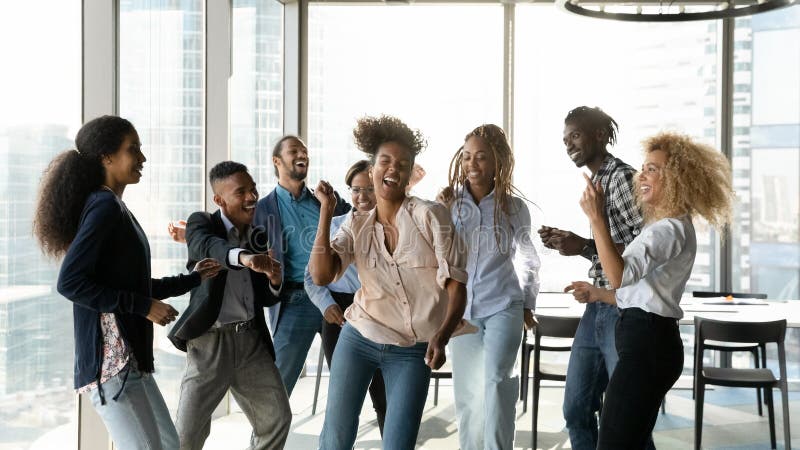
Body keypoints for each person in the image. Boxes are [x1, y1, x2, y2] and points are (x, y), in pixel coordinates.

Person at [33, 115, 220, 450]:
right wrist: (143, 306)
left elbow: (130, 283)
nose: (142, 158)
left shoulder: (114, 206)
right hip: (110, 364)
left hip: (130, 361)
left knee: (168, 445)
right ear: (106, 157)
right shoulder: (104, 206)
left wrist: (192, 279)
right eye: (133, 149)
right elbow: (71, 282)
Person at [308, 115, 472, 450]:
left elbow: (456, 285)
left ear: (411, 173)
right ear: (372, 169)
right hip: (359, 336)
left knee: (399, 441)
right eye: (385, 161)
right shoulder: (355, 225)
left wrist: (440, 337)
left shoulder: (432, 216)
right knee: (335, 438)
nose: (393, 169)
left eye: (403, 164)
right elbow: (323, 275)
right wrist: (326, 211)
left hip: (412, 350)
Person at [566, 131, 734, 449]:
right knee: (632, 442)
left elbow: (619, 276)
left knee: (614, 443)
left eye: (653, 169)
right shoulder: (662, 227)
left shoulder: (670, 230)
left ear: (676, 180)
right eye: (644, 167)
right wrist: (596, 294)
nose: (641, 175)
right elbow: (638, 293)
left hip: (648, 346)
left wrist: (597, 217)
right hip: (648, 341)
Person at [538, 106, 644, 450]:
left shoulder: (623, 179)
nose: (569, 144)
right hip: (596, 308)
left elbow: (644, 248)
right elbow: (611, 250)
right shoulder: (597, 181)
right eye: (565, 139)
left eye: (576, 135)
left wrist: (585, 243)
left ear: (599, 134)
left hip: (621, 308)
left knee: (627, 418)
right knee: (576, 409)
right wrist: (578, 246)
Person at [168, 161, 291, 450]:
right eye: (241, 192)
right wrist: (245, 258)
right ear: (219, 200)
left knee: (277, 419)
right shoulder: (201, 223)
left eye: (253, 190)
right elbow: (208, 247)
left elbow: (264, 298)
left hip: (250, 341)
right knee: (187, 436)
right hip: (211, 343)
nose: (252, 197)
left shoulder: (257, 233)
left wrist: (274, 280)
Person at [444, 124, 540, 450]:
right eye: (467, 156)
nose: (473, 164)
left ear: (497, 162)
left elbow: (528, 260)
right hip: (462, 313)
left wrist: (528, 305)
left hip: (504, 306)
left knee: (498, 384)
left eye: (482, 157)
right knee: (468, 394)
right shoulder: (449, 205)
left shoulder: (514, 208)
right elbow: (433, 256)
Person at [253, 135, 351, 395]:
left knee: (348, 383)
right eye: (294, 150)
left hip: (337, 297)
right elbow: (236, 236)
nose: (302, 155)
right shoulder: (262, 209)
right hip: (295, 301)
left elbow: (362, 217)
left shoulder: (327, 202)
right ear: (277, 161)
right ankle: (263, 436)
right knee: (278, 388)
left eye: (305, 151)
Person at [302, 160, 388, 434]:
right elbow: (311, 277)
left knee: (384, 396)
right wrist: (326, 305)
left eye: (369, 189)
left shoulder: (393, 227)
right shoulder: (337, 224)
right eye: (355, 189)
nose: (362, 197)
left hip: (379, 311)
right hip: (339, 312)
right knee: (342, 399)